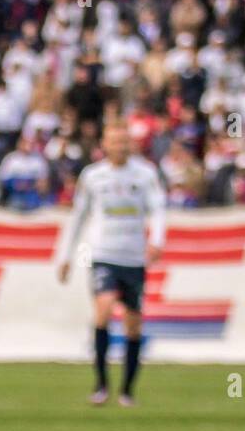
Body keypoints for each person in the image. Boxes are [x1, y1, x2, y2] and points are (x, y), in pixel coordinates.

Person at [56, 120, 167, 406]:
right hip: (103, 254)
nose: (120, 146)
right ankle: (102, 384)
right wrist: (66, 256)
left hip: (133, 256)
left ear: (132, 144)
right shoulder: (93, 176)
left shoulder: (145, 174)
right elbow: (79, 216)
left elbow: (157, 209)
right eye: (115, 141)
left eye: (124, 141)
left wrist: (157, 239)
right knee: (103, 311)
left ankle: (127, 390)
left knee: (133, 326)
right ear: (104, 145)